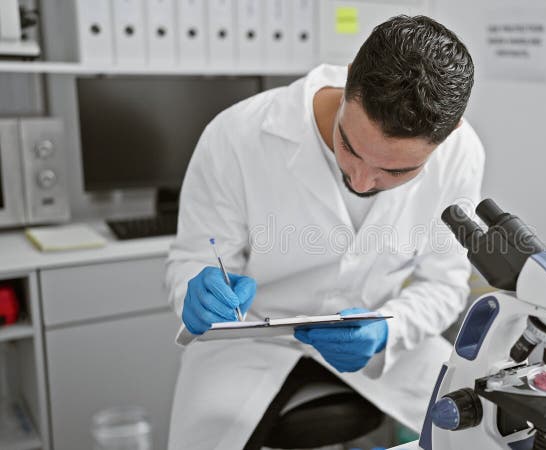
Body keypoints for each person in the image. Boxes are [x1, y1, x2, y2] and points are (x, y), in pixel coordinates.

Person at [165, 15, 485, 450]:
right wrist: (196, 291)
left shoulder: (461, 157)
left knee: (481, 428)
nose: (362, 179)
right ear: (351, 79)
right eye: (349, 146)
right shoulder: (237, 135)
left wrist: (388, 330)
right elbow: (195, 258)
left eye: (396, 170)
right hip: (249, 335)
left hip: (376, 325)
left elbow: (444, 284)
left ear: (453, 131)